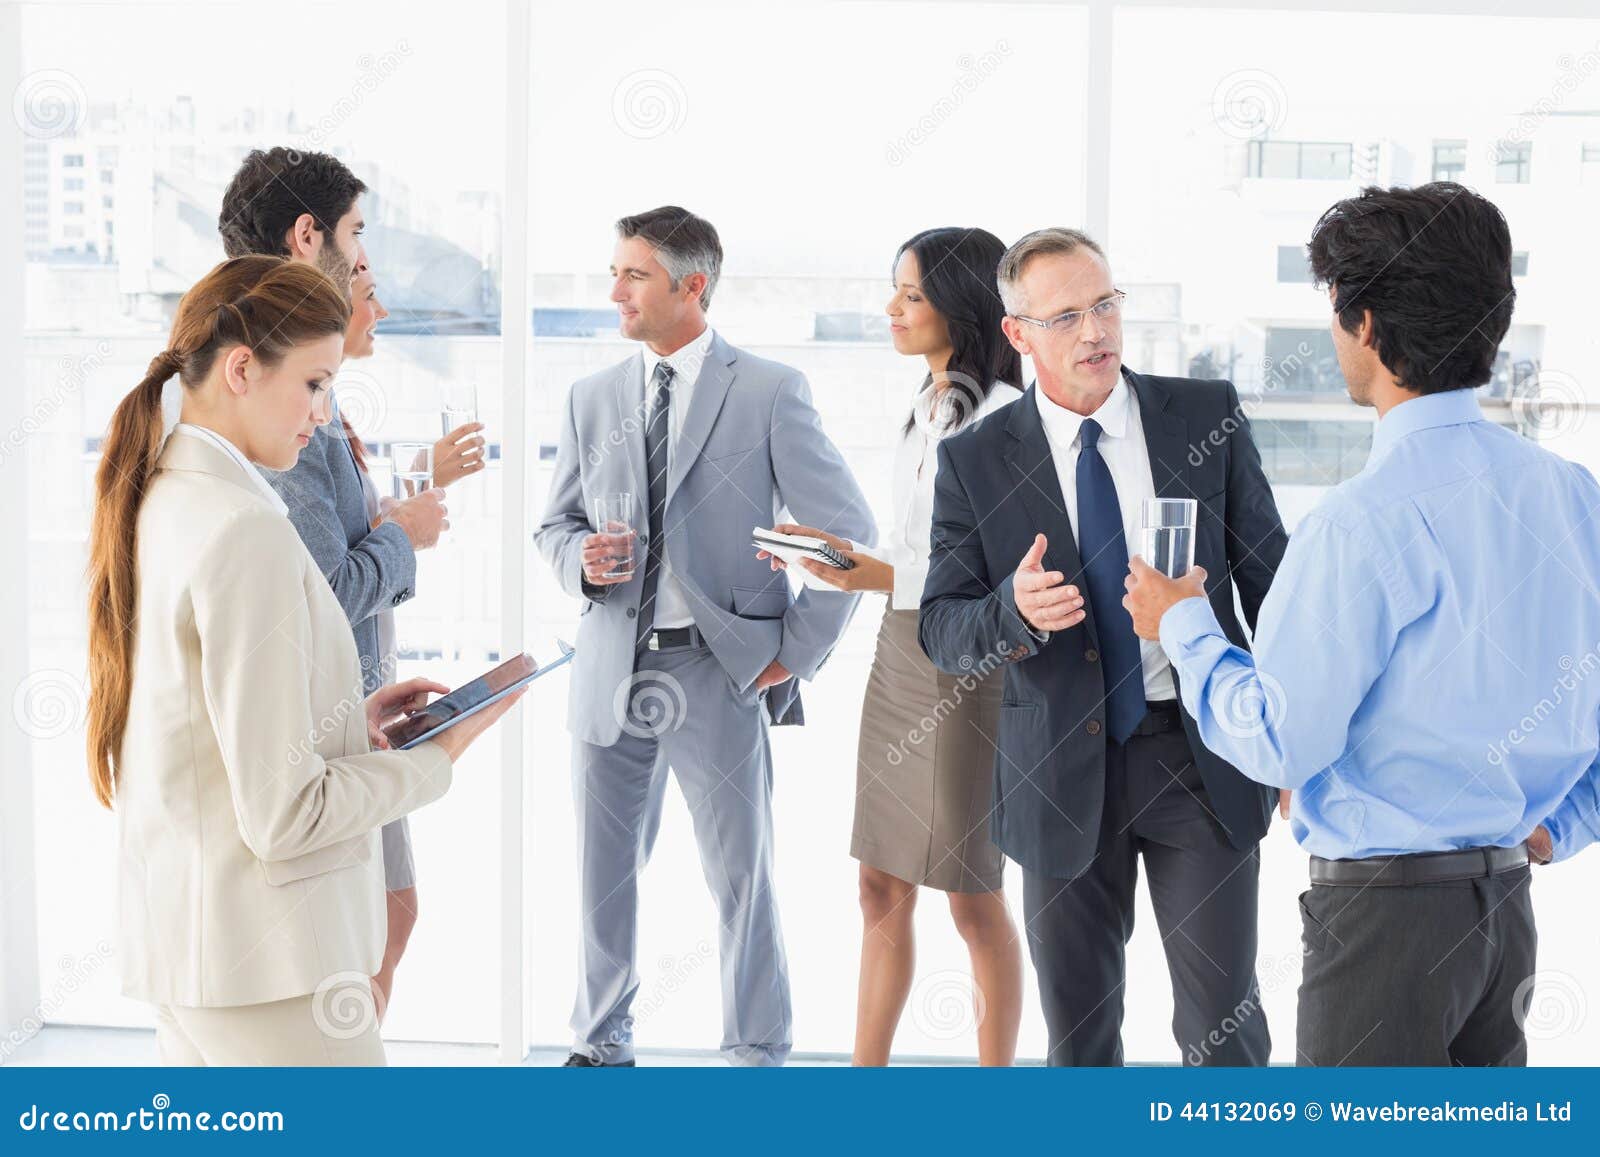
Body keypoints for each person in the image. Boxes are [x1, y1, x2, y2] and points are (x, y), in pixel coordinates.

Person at [1123, 181, 1600, 1067]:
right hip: (1504, 915)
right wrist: (1557, 824)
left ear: (1367, 325)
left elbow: (1278, 744)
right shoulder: (1573, 497)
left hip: (1386, 928)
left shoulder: (1361, 519)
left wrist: (1185, 625)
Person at [85, 256, 521, 1065]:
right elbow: (287, 817)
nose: (322, 415)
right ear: (242, 369)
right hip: (275, 971)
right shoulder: (243, 527)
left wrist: (348, 725)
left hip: (196, 953)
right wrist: (440, 757)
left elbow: (205, 733)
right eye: (315, 383)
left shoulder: (169, 495)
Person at [918, 227, 1288, 1066]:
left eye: (1106, 305)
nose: (1096, 332)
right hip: (1056, 774)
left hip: (1198, 758)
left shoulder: (1205, 417)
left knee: (1222, 1030)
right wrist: (1011, 611)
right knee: (1079, 1041)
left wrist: (1294, 735)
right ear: (1018, 334)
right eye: (1067, 316)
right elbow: (942, 625)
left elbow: (1276, 584)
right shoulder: (975, 460)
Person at [536, 205, 874, 1066]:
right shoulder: (592, 397)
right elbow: (555, 526)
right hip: (610, 664)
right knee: (602, 878)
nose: (615, 290)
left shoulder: (765, 391)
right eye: (615, 271)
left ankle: (756, 1052)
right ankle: (599, 1045)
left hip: (719, 672)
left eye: (633, 275)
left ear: (693, 286)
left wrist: (790, 651)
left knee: (741, 880)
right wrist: (583, 558)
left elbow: (844, 534)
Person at [218, 147, 488, 1017]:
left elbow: (321, 549)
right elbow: (321, 589)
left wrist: (406, 505)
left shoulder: (295, 387)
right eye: (355, 240)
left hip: (352, 707)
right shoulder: (275, 391)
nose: (368, 273)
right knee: (369, 923)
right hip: (322, 722)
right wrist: (406, 530)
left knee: (384, 916)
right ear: (308, 236)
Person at [753, 227, 1025, 1065]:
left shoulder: (1009, 417)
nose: (893, 309)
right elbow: (911, 547)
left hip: (968, 660)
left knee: (972, 894)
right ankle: (863, 1085)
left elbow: (981, 569)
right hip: (899, 653)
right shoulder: (925, 403)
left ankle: (996, 1092)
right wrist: (836, 555)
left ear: (963, 302)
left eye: (910, 294)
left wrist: (859, 571)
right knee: (878, 881)